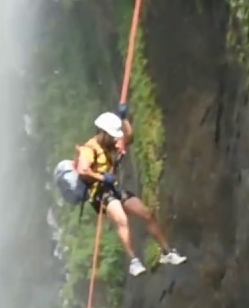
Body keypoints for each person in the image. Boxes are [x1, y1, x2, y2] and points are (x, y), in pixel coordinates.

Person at [76, 104, 187, 276]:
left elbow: (129, 137)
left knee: (147, 214)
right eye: (111, 136)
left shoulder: (110, 143)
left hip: (114, 188)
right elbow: (83, 170)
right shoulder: (89, 149)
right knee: (122, 219)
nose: (114, 139)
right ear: (102, 132)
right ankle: (134, 262)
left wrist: (124, 118)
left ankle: (167, 252)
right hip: (100, 194)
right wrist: (102, 177)